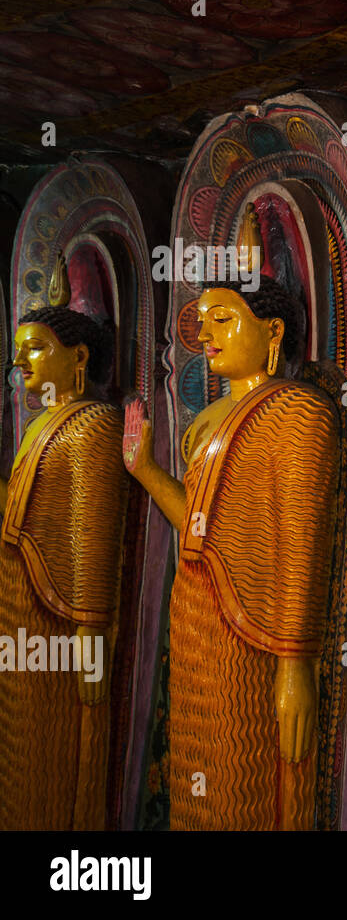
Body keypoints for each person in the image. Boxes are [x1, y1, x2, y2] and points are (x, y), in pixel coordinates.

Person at [124, 274, 339, 829]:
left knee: (253, 779)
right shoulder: (202, 426)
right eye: (200, 324)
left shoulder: (299, 412)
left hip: (260, 629)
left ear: (272, 330)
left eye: (222, 319)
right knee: (203, 778)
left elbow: (302, 543)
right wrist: (146, 470)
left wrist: (296, 664)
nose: (205, 335)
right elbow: (197, 533)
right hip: (199, 621)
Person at [0, 306, 126, 829]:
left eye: (35, 347)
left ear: (78, 356)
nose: (19, 359)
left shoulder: (94, 425)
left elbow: (93, 535)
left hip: (61, 626)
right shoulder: (41, 426)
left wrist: (91, 634)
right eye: (20, 348)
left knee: (53, 755)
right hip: (21, 614)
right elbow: (22, 518)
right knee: (18, 752)